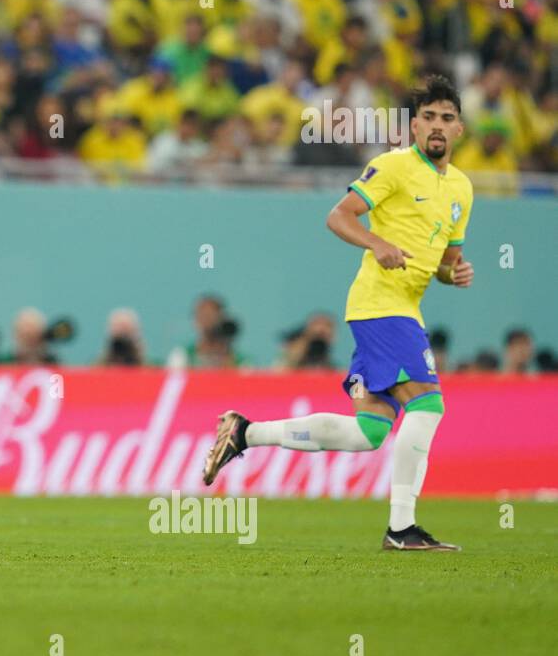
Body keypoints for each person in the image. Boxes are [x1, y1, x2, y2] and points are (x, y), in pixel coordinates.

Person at [203, 76, 475, 551]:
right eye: (428, 117)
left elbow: (445, 266)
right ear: (414, 127)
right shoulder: (392, 167)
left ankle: (245, 432)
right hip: (380, 304)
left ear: (459, 131)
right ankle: (401, 528)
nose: (437, 125)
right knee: (429, 405)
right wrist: (378, 242)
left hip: (404, 308)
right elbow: (338, 216)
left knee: (369, 432)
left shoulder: (462, 190)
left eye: (446, 118)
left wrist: (456, 275)